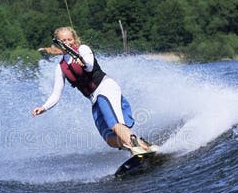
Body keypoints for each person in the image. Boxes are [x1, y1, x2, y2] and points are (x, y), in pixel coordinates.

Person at [32, 26, 153, 154]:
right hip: (94, 99)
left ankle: (136, 147)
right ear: (58, 43)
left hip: (105, 89)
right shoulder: (60, 67)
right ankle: (141, 144)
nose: (67, 43)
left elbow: (89, 66)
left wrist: (82, 61)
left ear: (75, 39)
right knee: (109, 138)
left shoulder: (83, 49)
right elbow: (56, 93)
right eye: (64, 40)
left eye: (70, 39)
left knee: (114, 124)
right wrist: (44, 107)